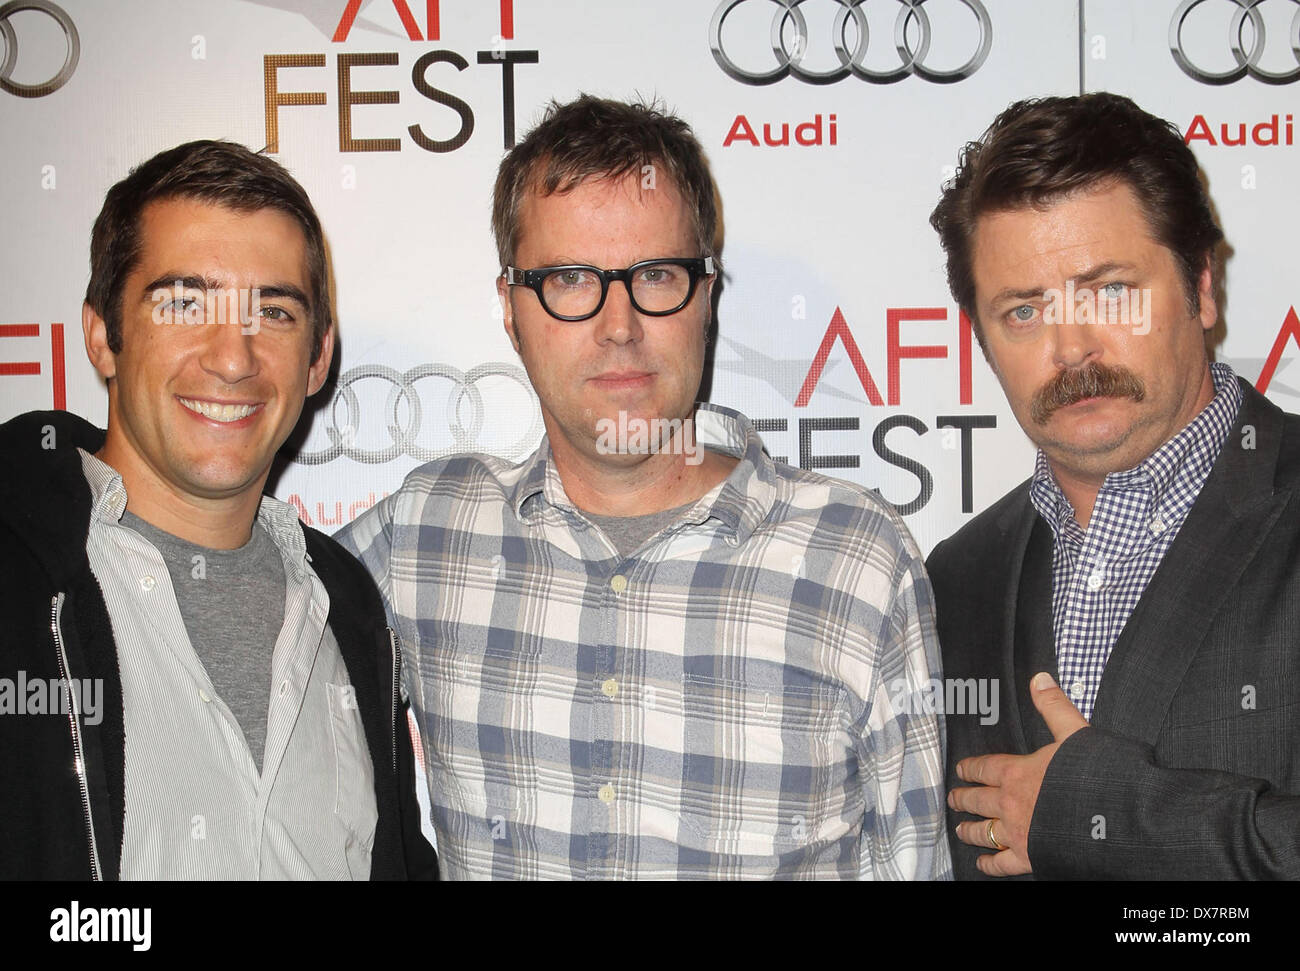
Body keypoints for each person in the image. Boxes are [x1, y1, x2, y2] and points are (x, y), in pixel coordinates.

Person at [338, 95, 950, 879]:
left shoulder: (857, 557)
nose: (619, 323)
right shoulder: (426, 531)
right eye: (568, 279)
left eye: (656, 275)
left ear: (707, 295)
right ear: (509, 307)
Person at [0, 140, 436, 880]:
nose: (233, 357)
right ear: (103, 334)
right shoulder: (15, 583)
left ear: (319, 356)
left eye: (273, 310)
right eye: (184, 303)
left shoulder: (351, 608)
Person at [928, 92, 1300, 879]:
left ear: (1202, 287)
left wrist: (1102, 820)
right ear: (984, 342)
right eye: (1024, 311)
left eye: (1109, 290)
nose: (1073, 347)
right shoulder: (956, 577)